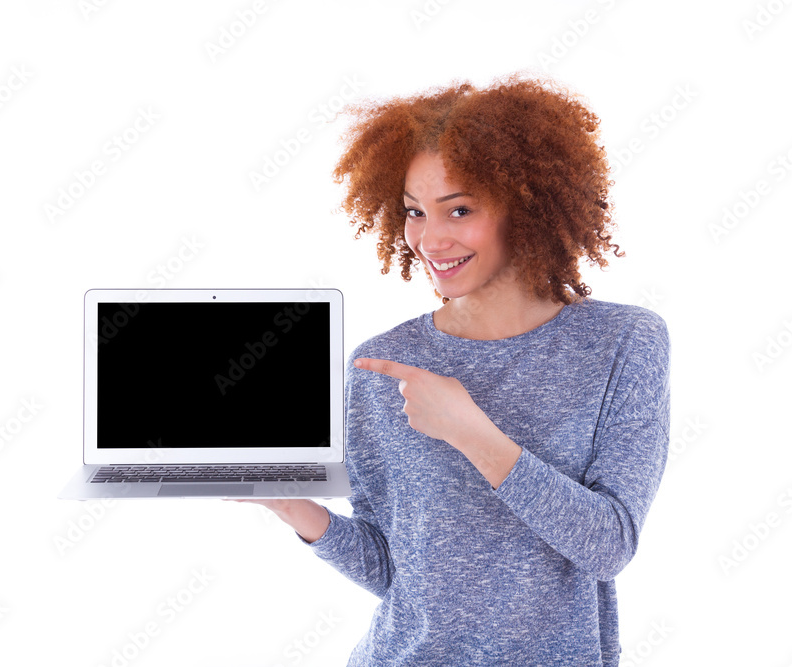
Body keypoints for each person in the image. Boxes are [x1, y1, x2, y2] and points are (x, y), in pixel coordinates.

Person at [238, 73, 671, 666]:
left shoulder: (622, 343)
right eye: (415, 212)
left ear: (527, 209)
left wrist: (471, 431)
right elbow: (399, 573)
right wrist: (295, 511)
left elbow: (607, 545)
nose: (430, 238)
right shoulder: (381, 365)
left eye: (459, 209)